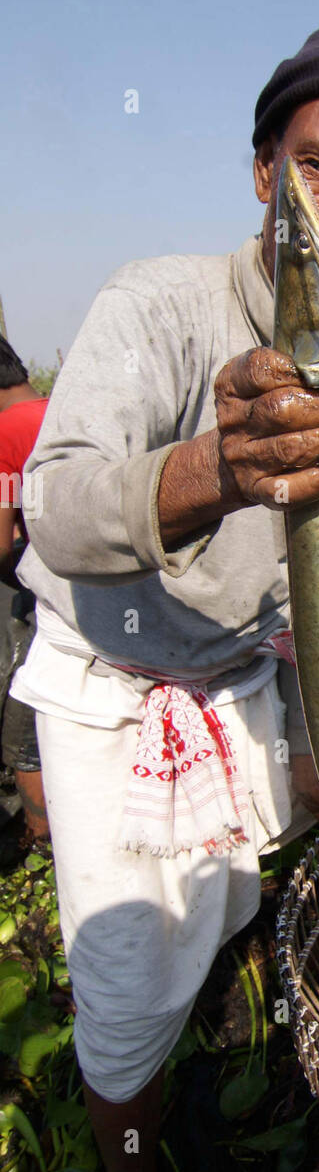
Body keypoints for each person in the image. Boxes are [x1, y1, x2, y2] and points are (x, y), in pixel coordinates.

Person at [10, 24, 319, 1172]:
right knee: (134, 997)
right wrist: (214, 468)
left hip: (249, 667)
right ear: (263, 170)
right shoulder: (158, 302)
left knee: (284, 874)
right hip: (115, 685)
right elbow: (56, 504)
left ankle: (297, 1046)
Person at [0, 338, 50, 841]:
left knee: (25, 734)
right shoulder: (65, 408)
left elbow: (0, 544)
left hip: (58, 601)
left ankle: (42, 845)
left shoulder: (3, 434)